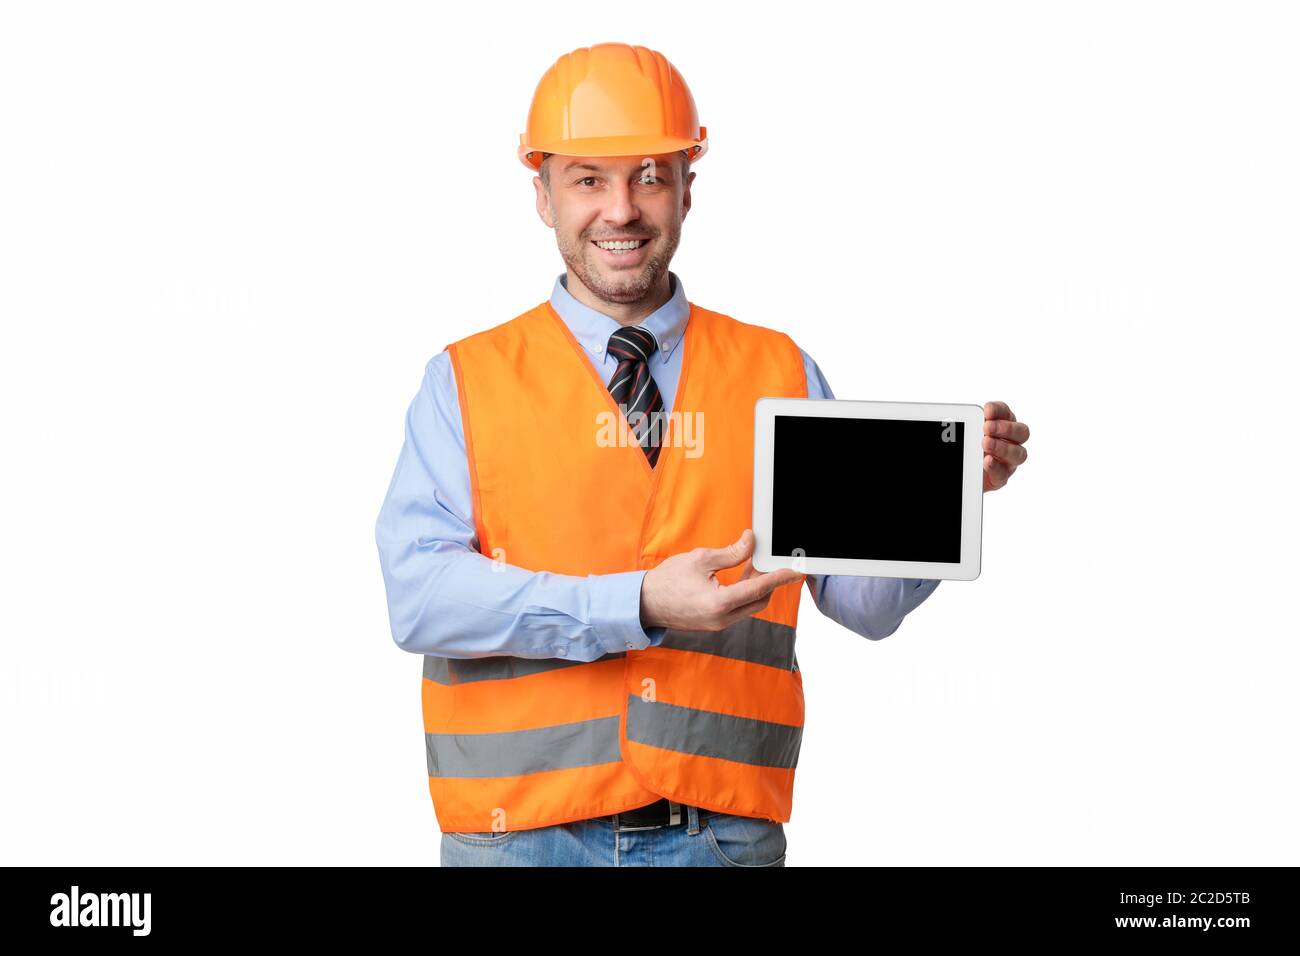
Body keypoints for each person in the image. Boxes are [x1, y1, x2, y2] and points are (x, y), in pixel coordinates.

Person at [375, 42, 1030, 867]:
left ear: (689, 186)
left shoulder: (777, 371)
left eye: (650, 175)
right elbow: (421, 598)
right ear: (542, 194)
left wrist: (942, 496)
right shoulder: (464, 382)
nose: (621, 209)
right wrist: (637, 604)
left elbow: (863, 602)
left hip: (717, 838)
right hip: (516, 839)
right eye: (588, 178)